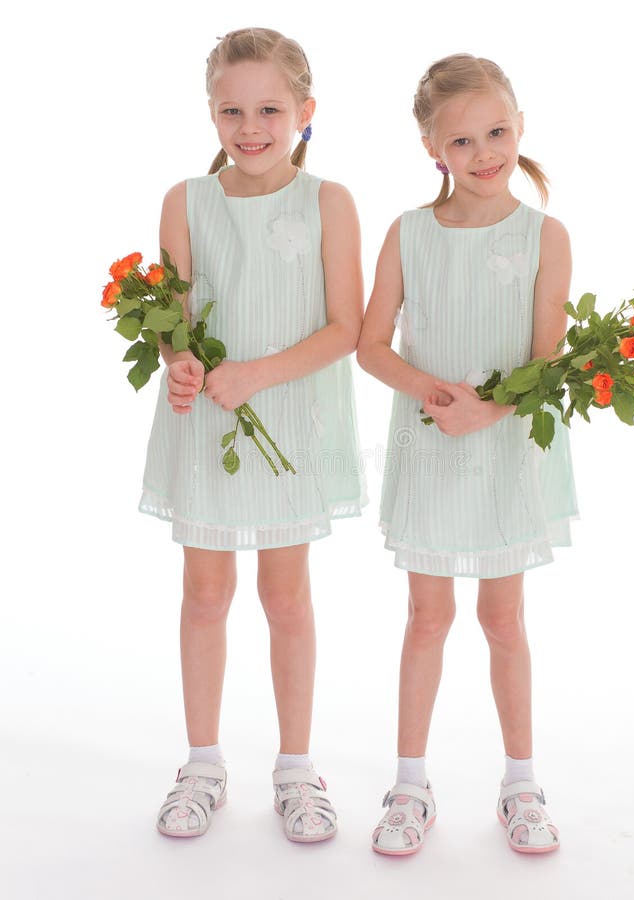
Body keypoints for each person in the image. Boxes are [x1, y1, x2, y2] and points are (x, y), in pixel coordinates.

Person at [141, 27, 366, 841]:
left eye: (269, 109)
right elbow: (171, 319)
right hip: (207, 422)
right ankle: (201, 764)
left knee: (285, 597)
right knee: (205, 596)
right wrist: (181, 363)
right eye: (231, 110)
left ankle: (296, 769)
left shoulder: (328, 202)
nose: (250, 127)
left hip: (289, 422)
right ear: (211, 113)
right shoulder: (185, 202)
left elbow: (345, 327)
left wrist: (256, 374)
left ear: (305, 111)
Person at [357, 53, 578, 855]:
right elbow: (370, 346)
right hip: (430, 446)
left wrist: (487, 410)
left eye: (496, 132)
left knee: (502, 617)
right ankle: (409, 786)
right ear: (432, 149)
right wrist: (432, 393)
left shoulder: (544, 235)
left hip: (506, 448)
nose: (483, 153)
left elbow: (547, 358)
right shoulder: (408, 233)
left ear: (519, 128)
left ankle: (521, 784)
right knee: (426, 616)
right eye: (461, 141)